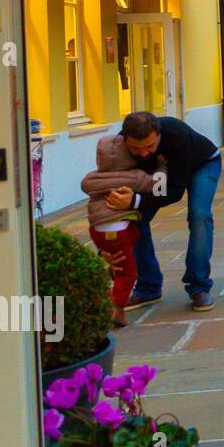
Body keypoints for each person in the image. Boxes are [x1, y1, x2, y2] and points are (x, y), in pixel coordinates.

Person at [105, 111, 222, 313]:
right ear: (125, 139)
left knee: (199, 215)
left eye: (149, 147)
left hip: (202, 164)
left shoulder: (177, 135)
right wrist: (108, 244)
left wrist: (134, 200)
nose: (143, 153)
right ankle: (148, 287)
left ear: (158, 136)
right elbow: (109, 191)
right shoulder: (117, 147)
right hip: (158, 174)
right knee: (134, 218)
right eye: (135, 149)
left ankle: (199, 286)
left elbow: (174, 191)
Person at [81, 135, 158, 326]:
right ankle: (117, 307)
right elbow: (156, 185)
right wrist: (162, 166)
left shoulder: (92, 178)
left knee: (129, 243)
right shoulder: (133, 177)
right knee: (128, 272)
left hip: (97, 230)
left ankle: (109, 281)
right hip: (119, 229)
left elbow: (85, 186)